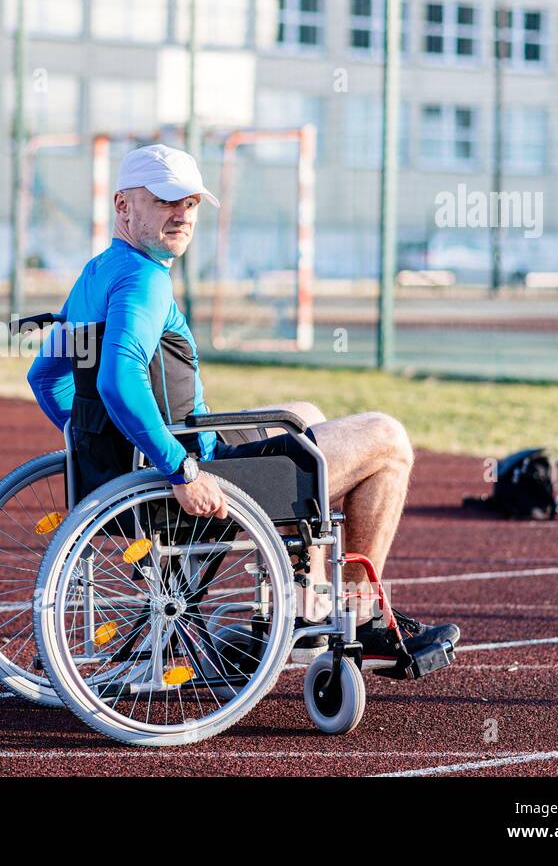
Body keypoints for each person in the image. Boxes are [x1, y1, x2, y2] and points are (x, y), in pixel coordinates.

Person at [27, 144, 459, 671]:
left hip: (145, 463)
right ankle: (362, 614)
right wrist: (178, 469)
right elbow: (119, 380)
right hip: (186, 473)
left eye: (190, 203)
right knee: (388, 441)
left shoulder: (94, 276)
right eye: (165, 202)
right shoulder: (144, 279)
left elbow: (44, 376)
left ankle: (308, 601)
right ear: (123, 206)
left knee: (304, 413)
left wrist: (99, 443)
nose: (182, 214)